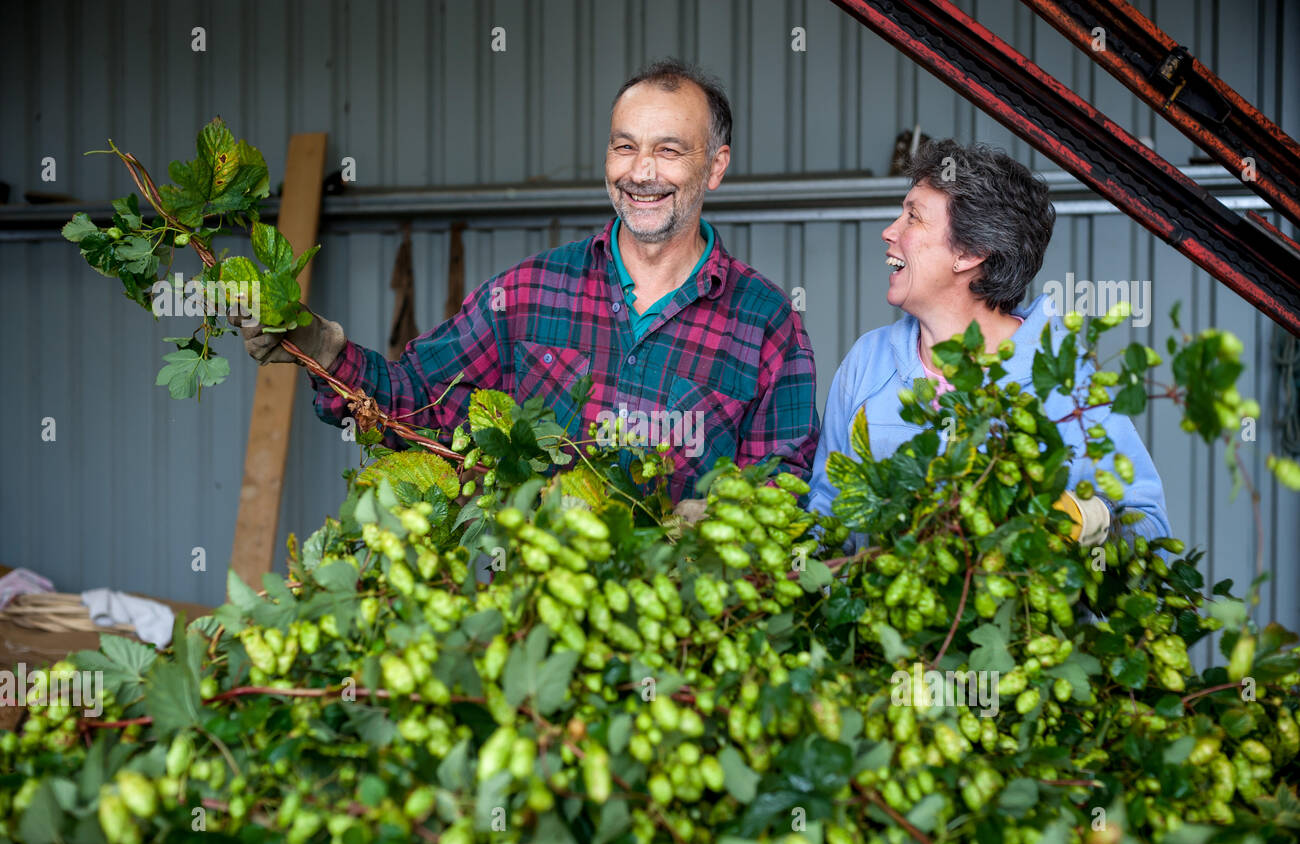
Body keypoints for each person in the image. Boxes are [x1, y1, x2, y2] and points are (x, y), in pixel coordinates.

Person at [238, 58, 819, 508]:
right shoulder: (526, 295)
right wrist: (323, 351)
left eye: (669, 151)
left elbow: (783, 500)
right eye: (625, 147)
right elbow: (417, 402)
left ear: (715, 166)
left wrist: (716, 527)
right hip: (533, 625)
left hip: (685, 640)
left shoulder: (768, 325)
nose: (641, 172)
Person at [807, 139, 1170, 546]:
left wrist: (1076, 521)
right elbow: (825, 510)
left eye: (913, 217)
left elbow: (1149, 527)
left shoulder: (1061, 376)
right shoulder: (868, 362)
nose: (889, 231)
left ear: (970, 252)